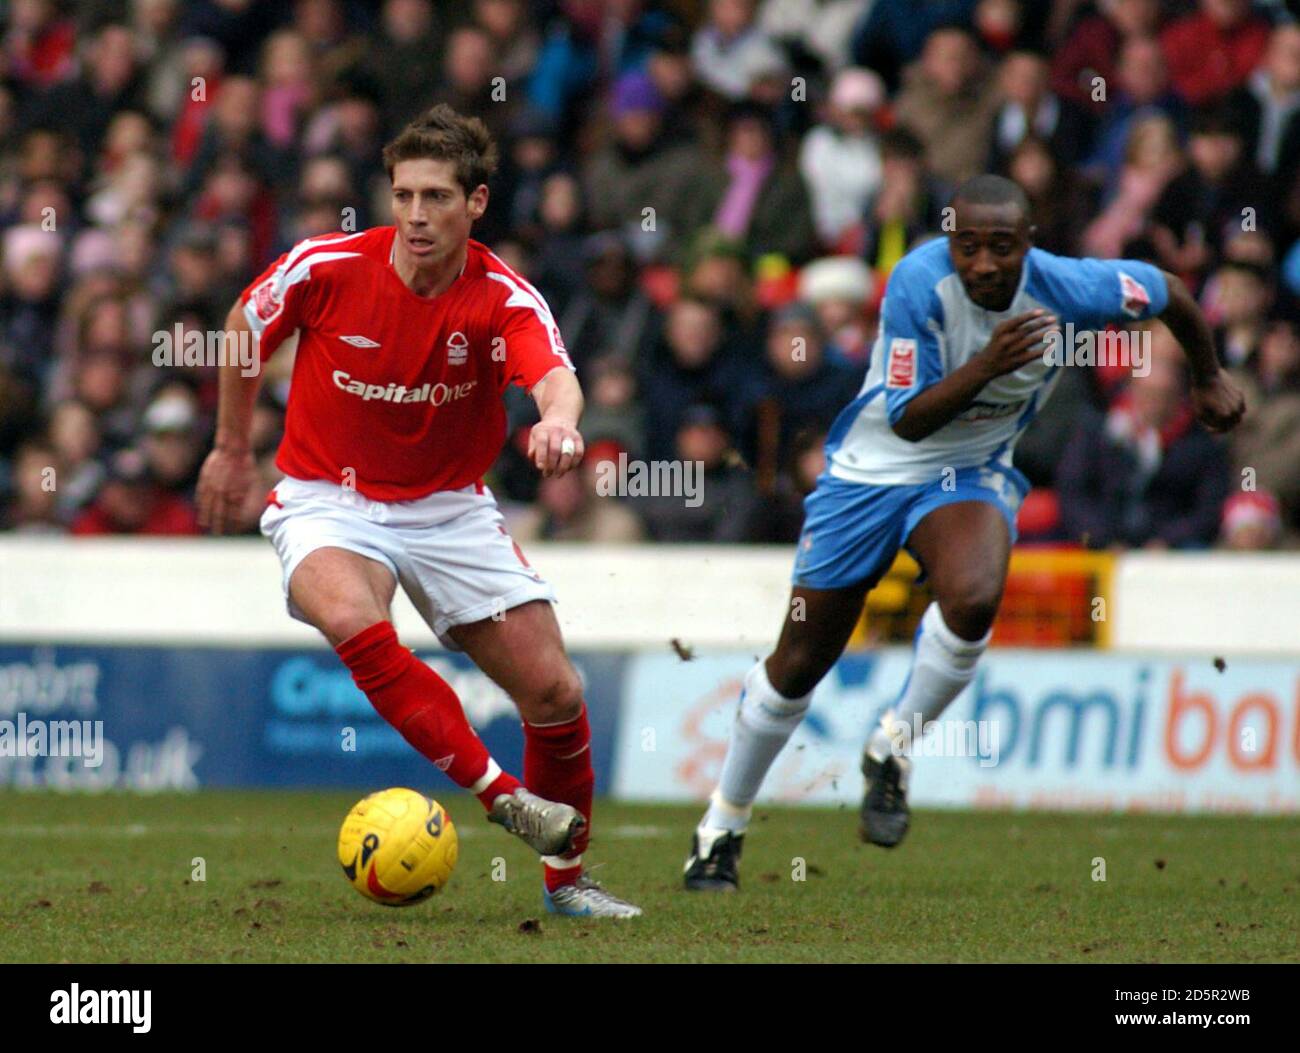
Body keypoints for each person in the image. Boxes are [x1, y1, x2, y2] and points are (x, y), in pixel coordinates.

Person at [682, 174, 1245, 891]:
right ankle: (720, 827)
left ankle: (891, 746)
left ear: (1027, 246)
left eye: (1001, 248)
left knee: (976, 596)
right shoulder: (918, 283)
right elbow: (912, 416)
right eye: (969, 246)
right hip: (871, 472)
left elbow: (1167, 289)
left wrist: (1207, 375)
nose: (983, 263)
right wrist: (988, 365)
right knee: (799, 661)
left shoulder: (1072, 286)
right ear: (949, 241)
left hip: (968, 471)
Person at [196, 104, 641, 919]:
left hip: (448, 507)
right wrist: (230, 448)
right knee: (351, 613)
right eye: (402, 194)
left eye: (436, 197)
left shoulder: (502, 297)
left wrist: (561, 423)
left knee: (554, 692)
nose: (415, 215)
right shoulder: (327, 266)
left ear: (475, 203)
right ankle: (500, 793)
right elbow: (242, 329)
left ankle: (568, 882)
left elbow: (555, 377)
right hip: (327, 496)